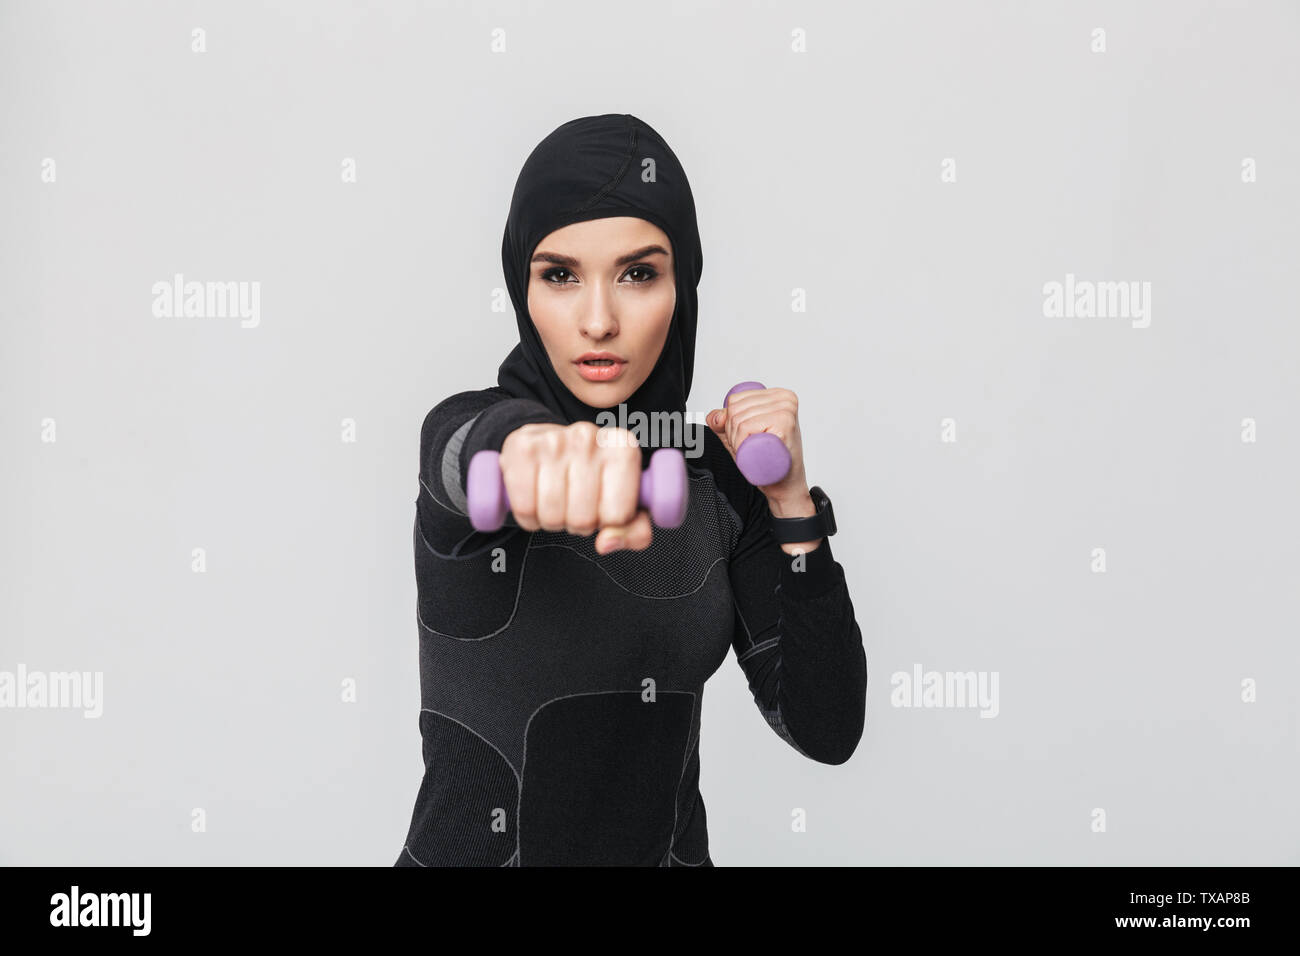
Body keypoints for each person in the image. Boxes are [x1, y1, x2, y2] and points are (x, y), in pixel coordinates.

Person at [395, 113, 867, 867]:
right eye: (560, 275)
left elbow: (826, 728)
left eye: (638, 273)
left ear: (683, 286)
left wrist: (793, 507)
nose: (598, 320)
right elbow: (461, 453)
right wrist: (533, 453)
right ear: (524, 287)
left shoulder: (714, 478)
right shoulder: (475, 432)